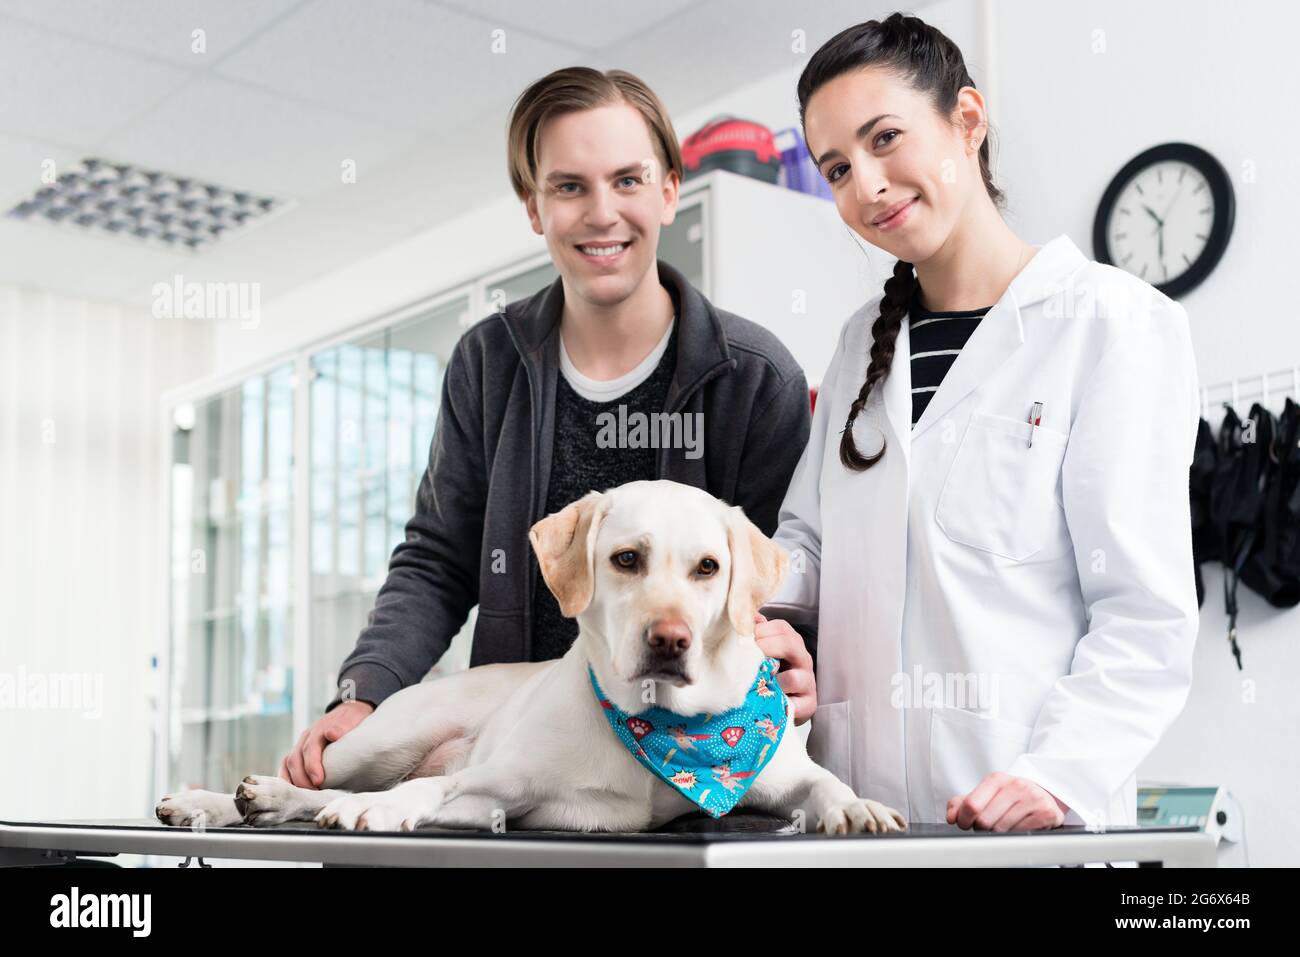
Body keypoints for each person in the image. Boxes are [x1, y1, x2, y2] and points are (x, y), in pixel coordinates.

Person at [280, 67, 814, 789]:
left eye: (628, 180)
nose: (602, 213)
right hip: (520, 765)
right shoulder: (487, 363)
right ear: (533, 206)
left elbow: (782, 575)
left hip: (690, 775)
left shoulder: (753, 378)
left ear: (667, 190)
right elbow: (439, 559)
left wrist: (796, 649)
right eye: (570, 186)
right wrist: (365, 691)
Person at [759, 13, 1200, 832]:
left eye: (885, 138)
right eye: (838, 168)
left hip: (1021, 818)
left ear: (967, 119)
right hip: (855, 819)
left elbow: (1145, 614)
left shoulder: (1112, 324)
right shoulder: (861, 344)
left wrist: (1058, 774)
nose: (868, 185)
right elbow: (808, 544)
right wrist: (739, 597)